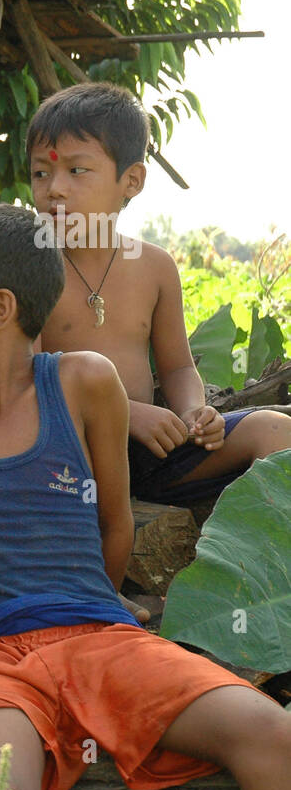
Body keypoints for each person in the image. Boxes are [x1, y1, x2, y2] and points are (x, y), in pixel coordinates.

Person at [0, 204, 291, 790]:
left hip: (99, 638)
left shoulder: (86, 383)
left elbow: (115, 523)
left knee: (272, 735)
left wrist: (96, 603)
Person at [30, 83, 289, 505]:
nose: (54, 188)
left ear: (131, 180)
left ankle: (263, 560)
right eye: (41, 172)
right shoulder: (30, 267)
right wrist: (128, 415)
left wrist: (192, 412)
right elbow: (29, 382)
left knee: (275, 429)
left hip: (150, 453)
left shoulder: (154, 267)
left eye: (76, 170)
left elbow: (178, 369)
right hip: (68, 452)